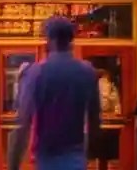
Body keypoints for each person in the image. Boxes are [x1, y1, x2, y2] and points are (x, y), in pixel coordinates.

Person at [8, 16, 101, 170]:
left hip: (47, 157)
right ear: (71, 40)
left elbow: (22, 125)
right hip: (76, 156)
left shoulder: (35, 73)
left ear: (49, 40)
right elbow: (95, 121)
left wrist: (13, 166)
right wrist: (87, 157)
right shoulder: (87, 72)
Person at [91, 69, 121, 170]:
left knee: (110, 154)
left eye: (106, 81)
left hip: (111, 127)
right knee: (98, 153)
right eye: (102, 81)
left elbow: (117, 107)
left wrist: (109, 97)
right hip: (96, 128)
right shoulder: (92, 91)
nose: (105, 84)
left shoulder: (113, 90)